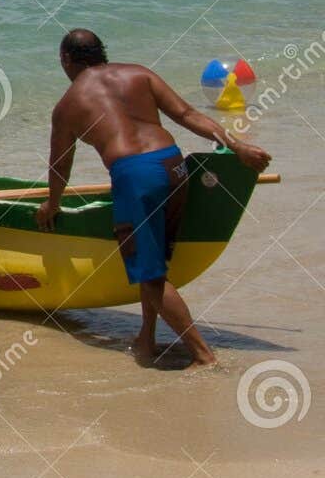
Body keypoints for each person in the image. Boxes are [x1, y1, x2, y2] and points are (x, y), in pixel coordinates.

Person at [38, 29, 271, 366]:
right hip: (173, 166)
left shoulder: (68, 105)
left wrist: (53, 204)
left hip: (136, 177)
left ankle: (203, 355)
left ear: (65, 59)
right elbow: (187, 115)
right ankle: (146, 339)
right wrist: (236, 146)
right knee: (156, 260)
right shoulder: (139, 73)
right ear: (102, 51)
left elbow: (60, 165)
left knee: (150, 276)